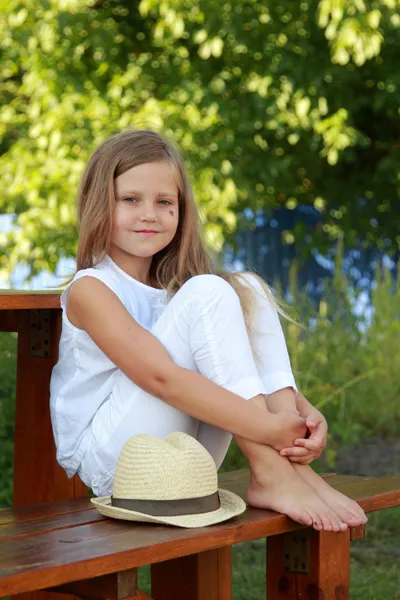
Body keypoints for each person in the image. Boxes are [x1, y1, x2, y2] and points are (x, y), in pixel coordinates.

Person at [50, 129, 367, 532]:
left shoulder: (175, 294)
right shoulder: (91, 289)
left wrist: (300, 415)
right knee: (209, 289)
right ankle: (272, 469)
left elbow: (235, 367)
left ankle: (289, 462)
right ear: (97, 203)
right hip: (117, 462)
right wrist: (267, 428)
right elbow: (160, 377)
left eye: (165, 202)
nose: (149, 214)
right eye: (130, 199)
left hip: (187, 462)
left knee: (247, 288)